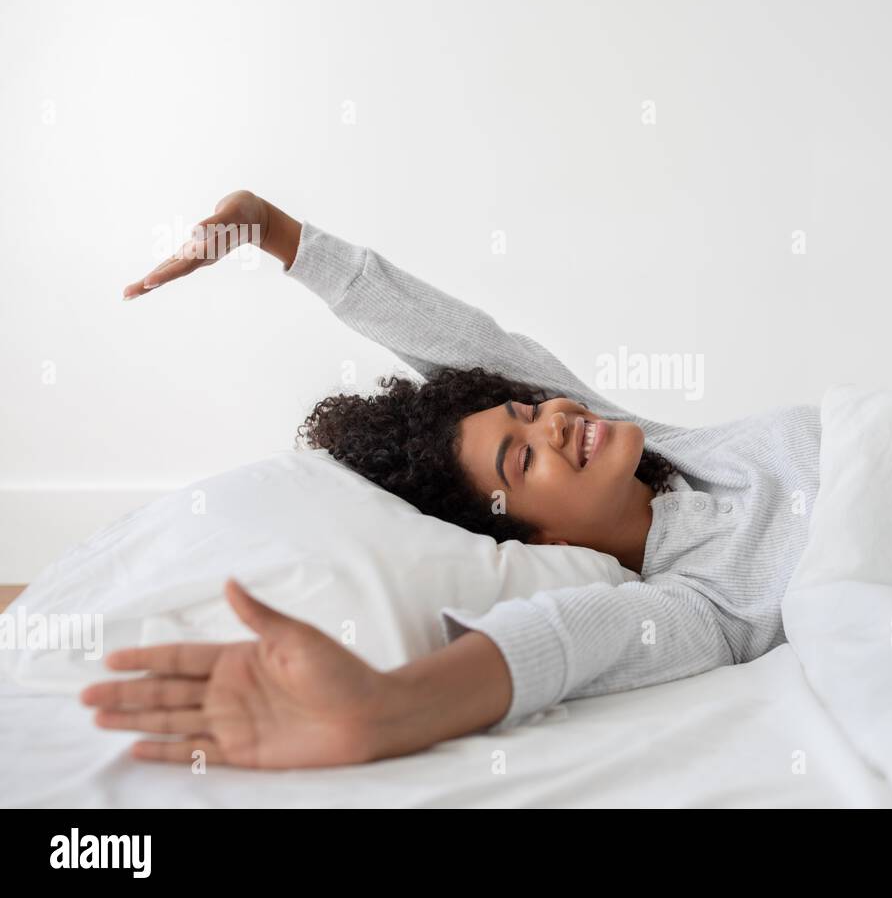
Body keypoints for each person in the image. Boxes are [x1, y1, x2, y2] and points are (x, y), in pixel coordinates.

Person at [82, 190, 821, 768]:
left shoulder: (666, 451)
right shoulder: (701, 604)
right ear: (542, 538)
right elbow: (562, 641)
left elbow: (469, 346)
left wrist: (276, 231)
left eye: (529, 410)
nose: (553, 421)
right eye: (523, 459)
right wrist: (385, 708)